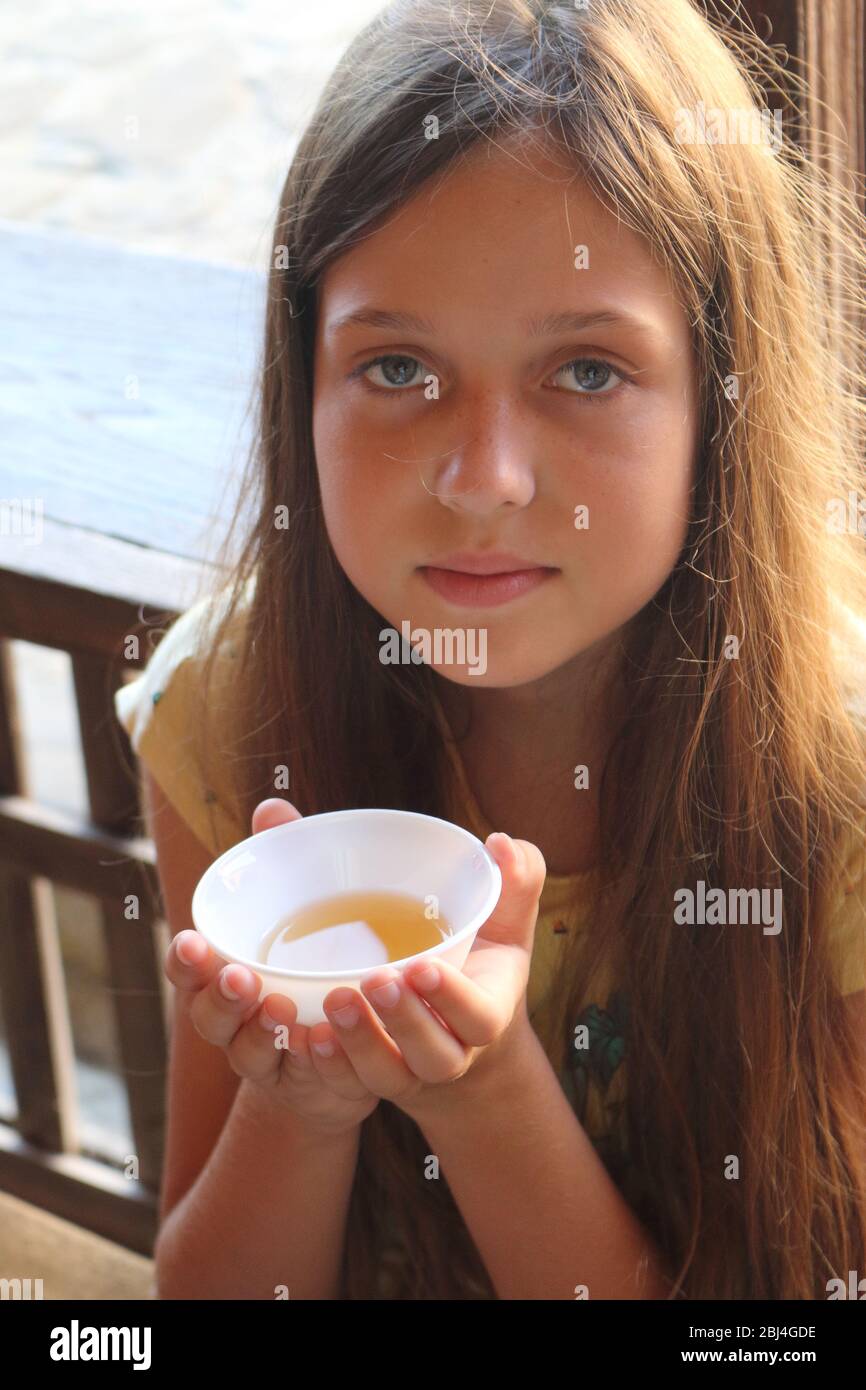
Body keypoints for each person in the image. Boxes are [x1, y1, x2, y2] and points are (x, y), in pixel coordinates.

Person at [114, 0, 866, 1299]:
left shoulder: (834, 781)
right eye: (398, 366)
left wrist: (484, 1095)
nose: (481, 479)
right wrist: (295, 1110)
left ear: (722, 397)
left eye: (584, 372)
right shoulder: (230, 707)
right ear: (301, 381)